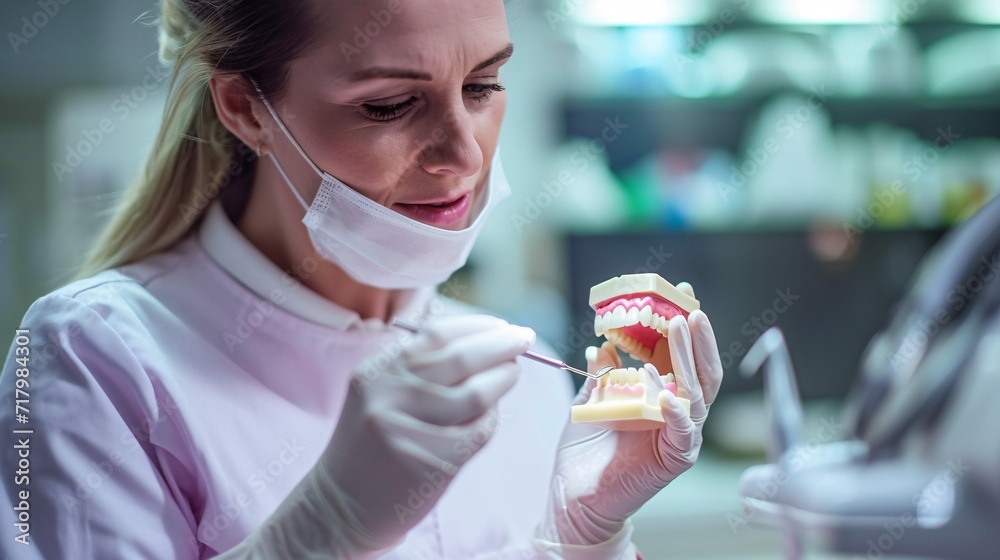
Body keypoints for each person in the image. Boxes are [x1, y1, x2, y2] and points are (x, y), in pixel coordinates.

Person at [0, 1, 723, 558]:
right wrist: (314, 537)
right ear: (246, 109)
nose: (464, 154)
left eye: (482, 85)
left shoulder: (523, 376)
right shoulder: (95, 360)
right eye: (389, 104)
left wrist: (586, 537)